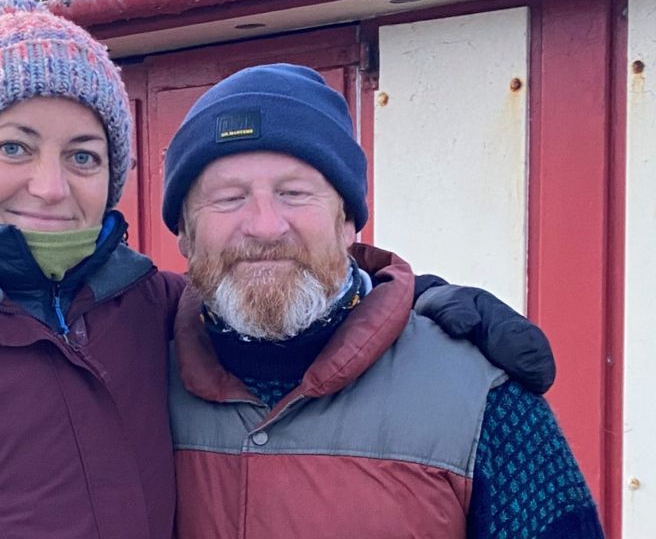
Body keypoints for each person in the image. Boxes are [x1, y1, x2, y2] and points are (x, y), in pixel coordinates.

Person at [0, 0, 554, 538]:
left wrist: (413, 306)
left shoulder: (140, 310)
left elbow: (266, 289)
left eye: (83, 155)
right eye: (14, 146)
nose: (51, 186)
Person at [161, 63, 603, 538]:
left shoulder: (483, 399)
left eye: (294, 193)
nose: (265, 226)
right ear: (185, 231)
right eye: (228, 197)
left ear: (348, 221)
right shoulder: (140, 376)